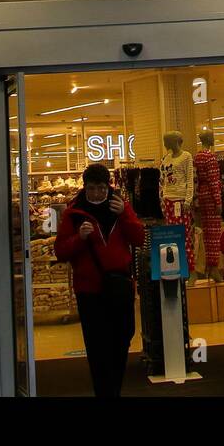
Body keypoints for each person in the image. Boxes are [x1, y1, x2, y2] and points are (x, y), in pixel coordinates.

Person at [54, 162, 144, 397]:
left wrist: (124, 216)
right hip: (89, 291)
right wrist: (79, 239)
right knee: (97, 347)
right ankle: (106, 392)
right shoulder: (73, 214)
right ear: (85, 188)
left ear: (108, 187)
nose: (97, 194)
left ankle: (113, 387)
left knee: (123, 337)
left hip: (120, 286)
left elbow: (139, 238)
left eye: (101, 188)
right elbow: (61, 251)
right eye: (92, 188)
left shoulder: (120, 206)